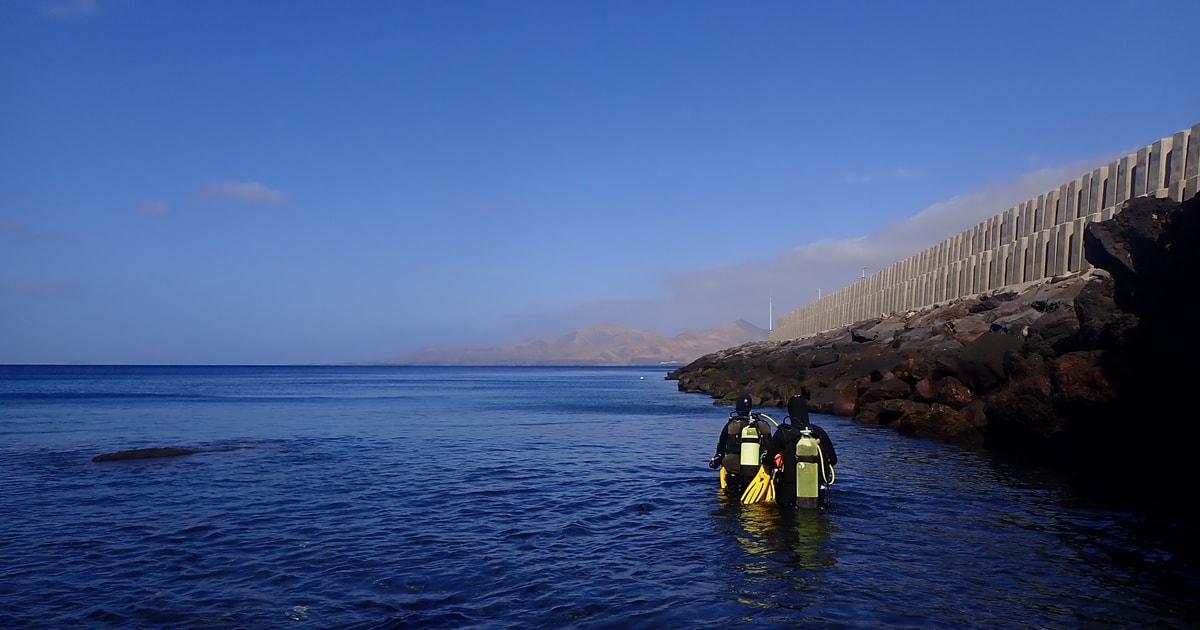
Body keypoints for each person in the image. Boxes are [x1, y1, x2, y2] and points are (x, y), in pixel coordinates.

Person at [772, 395, 837, 509]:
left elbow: (768, 459)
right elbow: (833, 460)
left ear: (790, 412)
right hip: (815, 494)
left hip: (787, 495)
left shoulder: (783, 433)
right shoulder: (818, 432)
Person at [708, 392, 773, 491]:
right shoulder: (761, 425)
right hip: (756, 475)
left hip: (733, 474)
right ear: (750, 407)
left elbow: (720, 450)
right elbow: (770, 448)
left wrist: (716, 461)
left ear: (737, 407)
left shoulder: (730, 426)